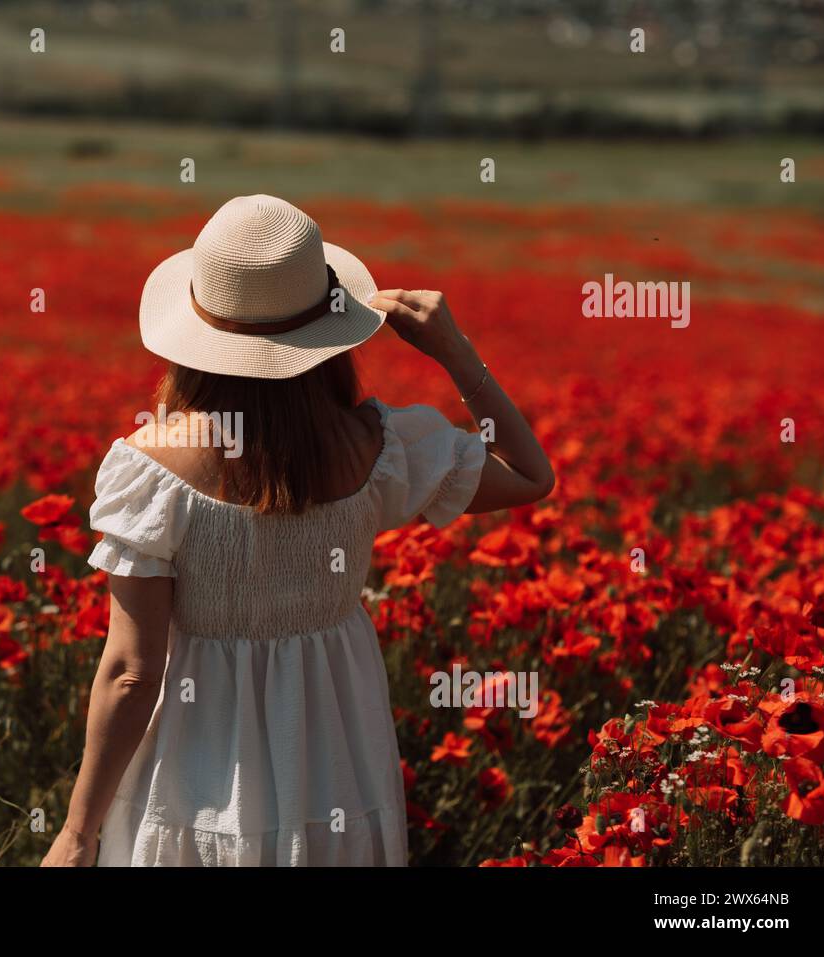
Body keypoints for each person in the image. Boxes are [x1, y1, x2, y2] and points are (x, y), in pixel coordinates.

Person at [41, 195, 554, 867]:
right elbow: (530, 474)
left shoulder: (151, 472)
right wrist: (457, 354)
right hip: (335, 766)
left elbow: (134, 674)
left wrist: (77, 833)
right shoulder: (382, 447)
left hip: (192, 777)